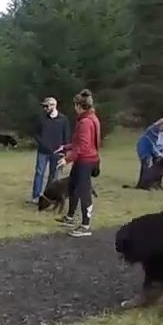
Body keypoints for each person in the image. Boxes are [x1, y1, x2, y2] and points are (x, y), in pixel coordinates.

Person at [55, 89, 101, 237]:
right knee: (73, 187)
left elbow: (82, 146)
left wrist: (67, 159)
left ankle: (85, 225)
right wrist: (65, 147)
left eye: (75, 105)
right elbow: (79, 142)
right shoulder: (89, 118)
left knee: (84, 192)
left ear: (78, 106)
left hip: (86, 161)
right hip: (84, 159)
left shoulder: (86, 122)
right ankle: (70, 217)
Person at [31, 96, 70, 203]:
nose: (44, 108)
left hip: (57, 152)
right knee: (39, 173)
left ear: (53, 105)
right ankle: (36, 196)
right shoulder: (41, 119)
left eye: (46, 106)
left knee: (54, 176)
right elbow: (36, 133)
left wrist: (64, 152)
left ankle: (49, 197)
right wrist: (42, 143)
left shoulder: (63, 119)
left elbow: (66, 136)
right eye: (44, 106)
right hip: (43, 151)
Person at [135, 117, 163, 185]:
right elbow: (151, 144)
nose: (162, 126)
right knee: (146, 163)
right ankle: (143, 183)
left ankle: (154, 182)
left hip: (158, 149)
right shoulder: (152, 131)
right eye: (161, 124)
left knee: (158, 165)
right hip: (145, 147)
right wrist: (159, 154)